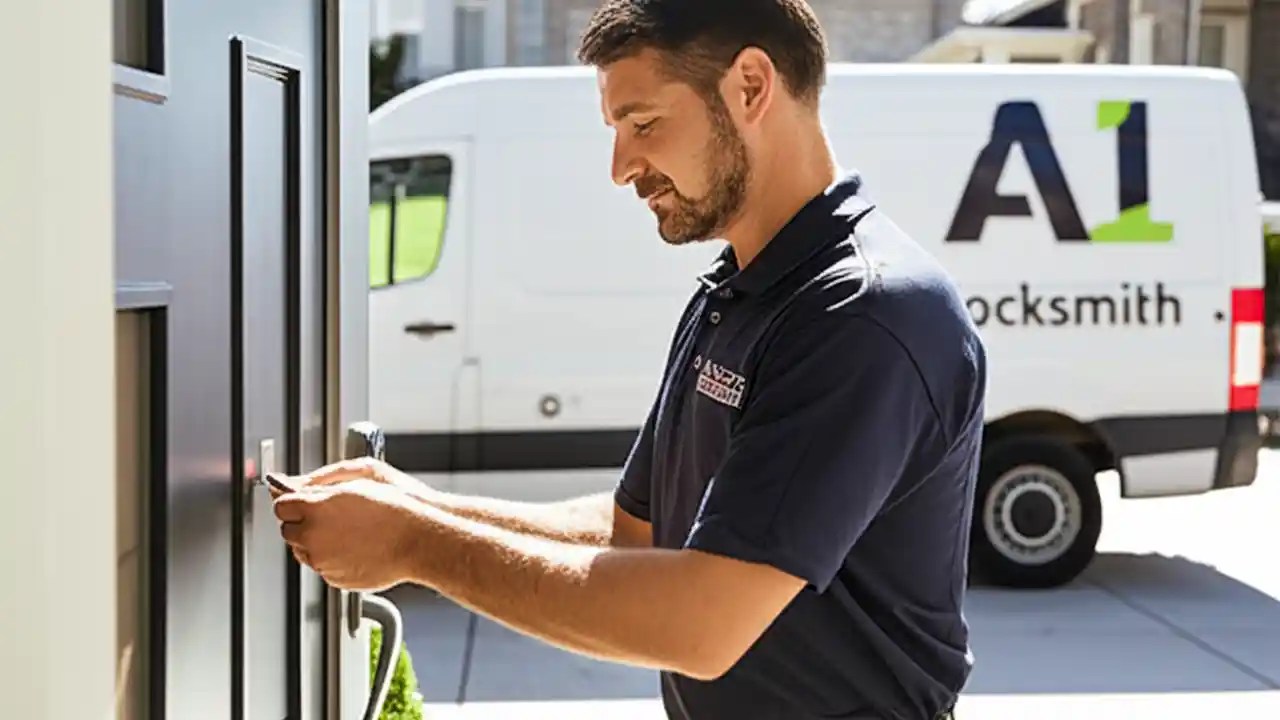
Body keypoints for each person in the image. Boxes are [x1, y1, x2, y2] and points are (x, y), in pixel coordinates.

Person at [270, 1, 986, 718]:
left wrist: (417, 545)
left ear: (750, 86)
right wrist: (417, 505)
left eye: (642, 124)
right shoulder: (737, 291)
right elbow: (635, 534)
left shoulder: (863, 315)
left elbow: (702, 624)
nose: (621, 169)